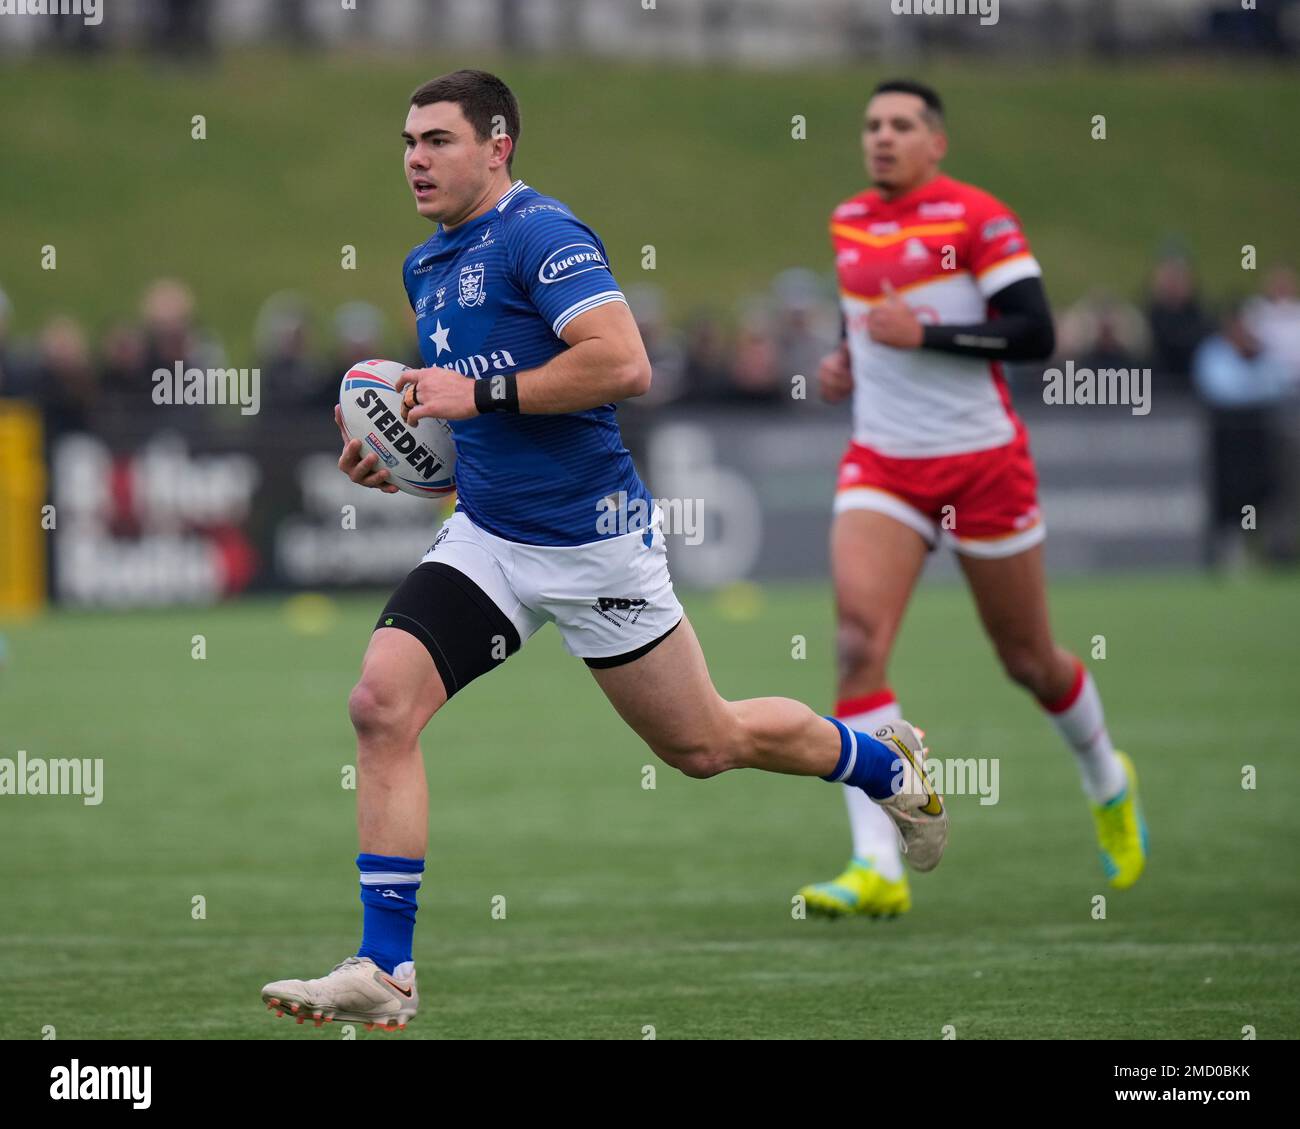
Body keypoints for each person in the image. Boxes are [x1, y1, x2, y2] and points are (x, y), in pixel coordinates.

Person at [260, 69, 949, 1031]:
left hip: (597, 551)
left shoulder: (544, 233)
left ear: (498, 145)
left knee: (706, 745)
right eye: (409, 142)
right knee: (379, 703)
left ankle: (883, 764)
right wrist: (414, 466)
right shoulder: (426, 265)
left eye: (439, 140)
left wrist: (478, 397)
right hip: (491, 540)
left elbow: (623, 364)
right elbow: (482, 422)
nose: (415, 159)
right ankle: (386, 966)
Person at [798, 79, 1146, 920]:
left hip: (983, 465)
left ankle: (1107, 775)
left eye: (902, 125)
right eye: (872, 123)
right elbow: (866, 318)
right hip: (883, 466)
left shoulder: (976, 217)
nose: (882, 136)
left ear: (936, 142)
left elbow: (1034, 332)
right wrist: (849, 357)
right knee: (853, 644)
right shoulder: (849, 220)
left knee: (1029, 660)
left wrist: (930, 337)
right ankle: (875, 858)